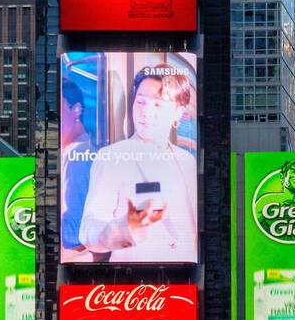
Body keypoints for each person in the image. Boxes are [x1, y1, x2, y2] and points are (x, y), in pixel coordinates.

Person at [78, 67, 197, 262]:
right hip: (136, 279)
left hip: (185, 277)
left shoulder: (187, 161)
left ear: (178, 112)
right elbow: (88, 229)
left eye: (158, 104)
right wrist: (126, 228)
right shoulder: (111, 157)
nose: (145, 111)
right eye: (140, 102)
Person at [60, 78, 95, 255]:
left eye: (58, 109)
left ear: (77, 110)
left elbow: (74, 236)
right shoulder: (76, 152)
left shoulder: (78, 156)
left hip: (78, 260)